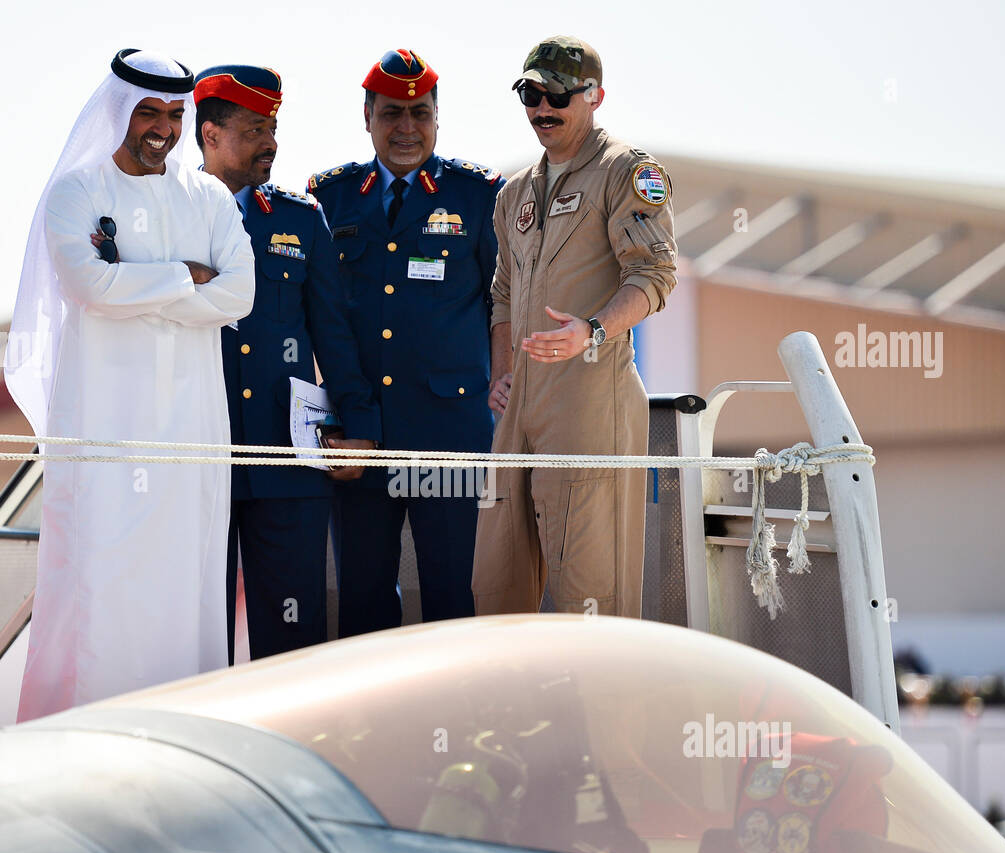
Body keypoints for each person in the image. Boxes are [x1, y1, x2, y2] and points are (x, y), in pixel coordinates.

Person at [4, 49, 255, 720]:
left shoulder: (205, 195)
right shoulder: (76, 193)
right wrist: (184, 275)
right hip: (105, 431)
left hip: (191, 429)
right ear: (118, 111)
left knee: (183, 581)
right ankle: (87, 733)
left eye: (175, 115)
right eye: (148, 112)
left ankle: (180, 732)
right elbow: (90, 286)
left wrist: (140, 285)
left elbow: (241, 293)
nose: (163, 129)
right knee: (103, 583)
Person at [471, 36, 677, 619]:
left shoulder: (628, 172)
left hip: (591, 405)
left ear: (595, 96)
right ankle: (514, 712)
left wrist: (591, 330)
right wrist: (502, 373)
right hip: (520, 413)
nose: (543, 108)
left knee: (592, 594)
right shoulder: (513, 194)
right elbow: (504, 294)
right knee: (497, 587)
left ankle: (601, 712)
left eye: (558, 94)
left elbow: (654, 276)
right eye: (531, 94)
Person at [309, 49, 505, 637]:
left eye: (420, 114)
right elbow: (317, 308)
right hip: (358, 431)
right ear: (367, 117)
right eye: (392, 113)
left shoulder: (478, 194)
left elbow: (506, 302)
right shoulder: (331, 196)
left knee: (451, 591)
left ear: (438, 118)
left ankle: (456, 721)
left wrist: (503, 385)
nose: (406, 128)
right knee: (364, 599)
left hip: (449, 434)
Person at [192, 65, 381, 660]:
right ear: (210, 134)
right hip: (198, 456)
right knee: (199, 636)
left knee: (292, 639)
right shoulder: (172, 215)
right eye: (253, 129)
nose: (270, 142)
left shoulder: (300, 219)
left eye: (272, 127)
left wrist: (360, 429)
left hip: (287, 457)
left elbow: (334, 332)